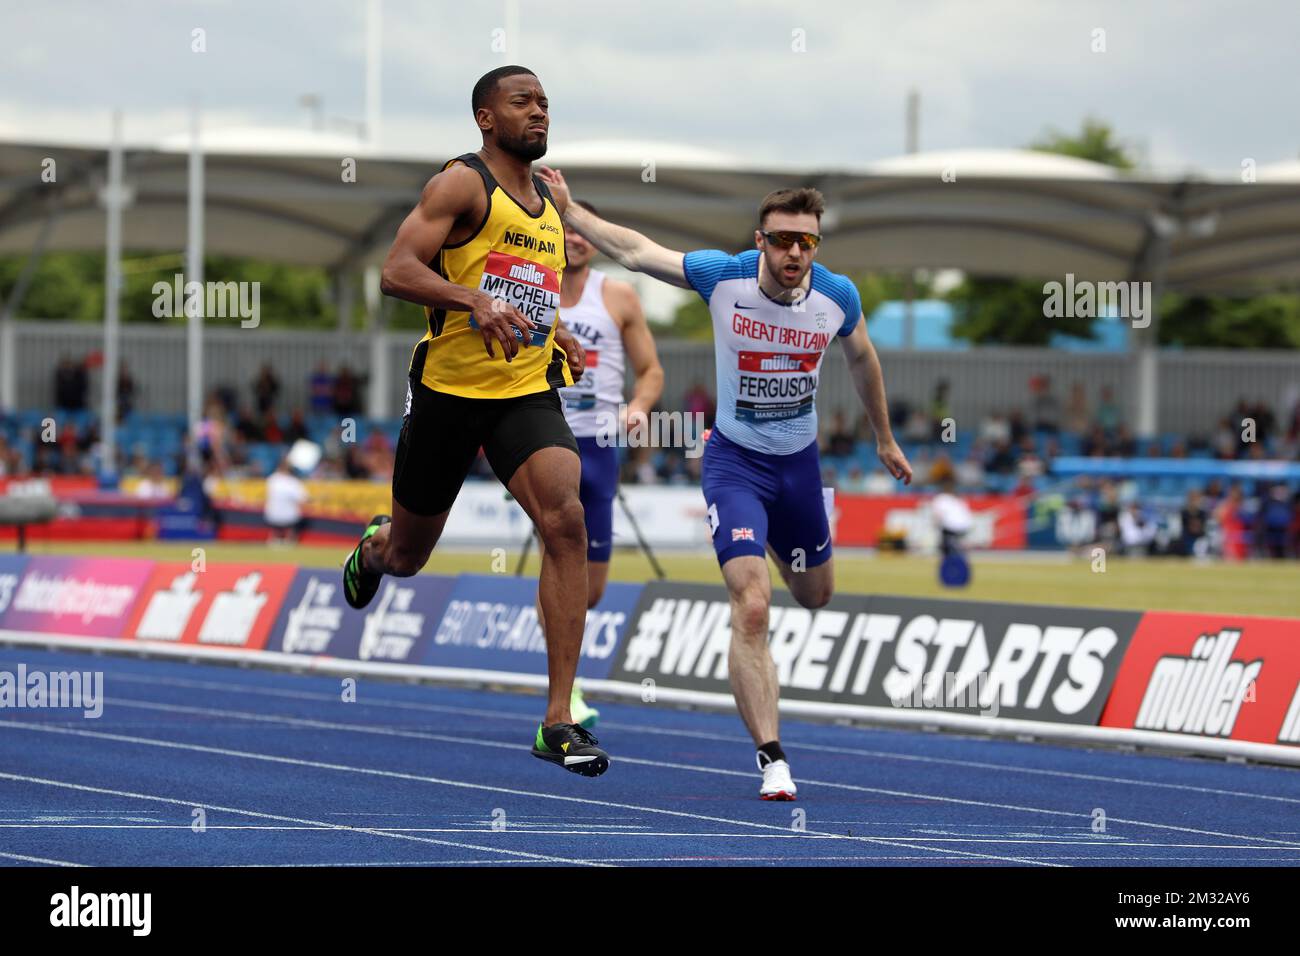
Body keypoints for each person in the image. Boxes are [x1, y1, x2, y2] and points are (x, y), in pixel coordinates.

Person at [540, 171, 912, 798]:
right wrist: (572, 212)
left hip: (798, 467)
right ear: (762, 241)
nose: (797, 254)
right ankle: (772, 758)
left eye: (809, 243)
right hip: (735, 463)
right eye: (786, 240)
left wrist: (884, 437)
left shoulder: (838, 296)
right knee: (754, 605)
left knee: (816, 595)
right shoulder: (723, 275)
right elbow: (636, 251)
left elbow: (863, 358)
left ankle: (763, 540)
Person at [340, 65, 606, 777]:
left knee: (566, 521)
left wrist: (560, 340)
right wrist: (472, 303)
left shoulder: (551, 198)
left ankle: (558, 720)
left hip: (524, 391)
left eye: (546, 103)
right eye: (523, 103)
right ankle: (375, 548)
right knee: (409, 557)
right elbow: (396, 271)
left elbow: (528, 290)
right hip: (449, 394)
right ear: (487, 118)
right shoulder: (460, 183)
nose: (539, 113)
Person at [538, 200, 664, 728]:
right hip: (546, 438)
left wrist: (638, 408)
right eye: (565, 228)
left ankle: (565, 670)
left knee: (591, 587)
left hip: (602, 445)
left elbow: (652, 369)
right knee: (559, 548)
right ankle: (567, 693)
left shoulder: (618, 296)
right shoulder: (532, 289)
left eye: (583, 230)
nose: (576, 238)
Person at [264, 458, 309, 544]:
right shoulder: (293, 482)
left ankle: (275, 538)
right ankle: (290, 539)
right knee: (295, 514)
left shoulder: (271, 479)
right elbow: (303, 499)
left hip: (272, 515)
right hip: (289, 517)